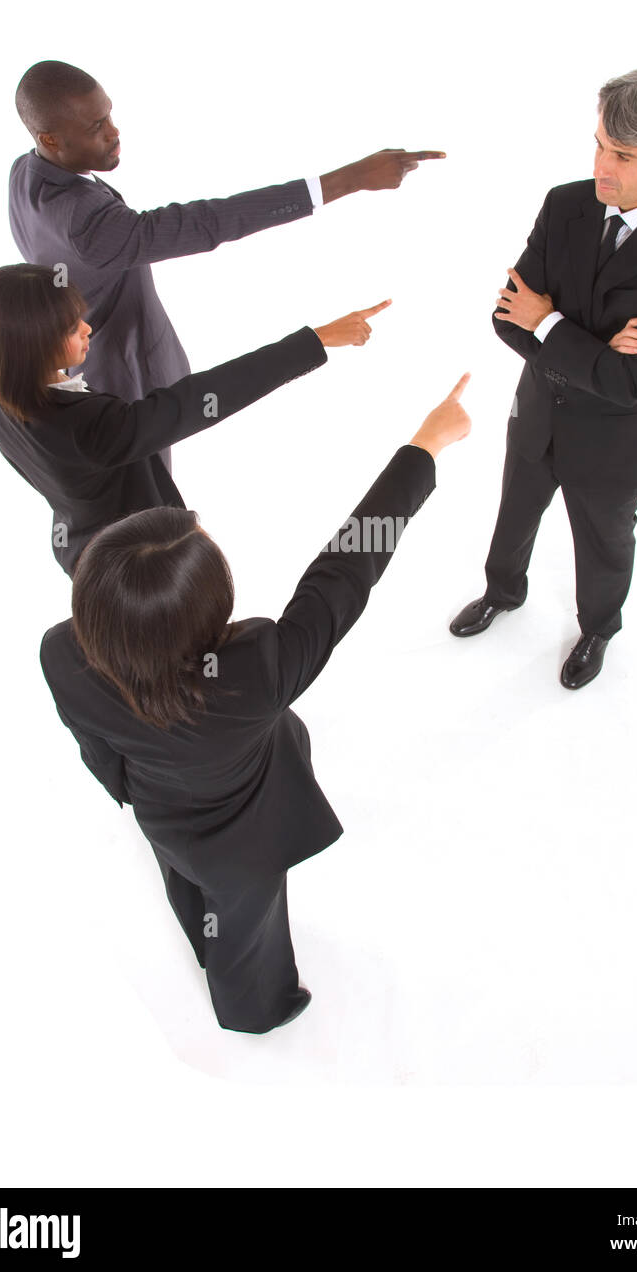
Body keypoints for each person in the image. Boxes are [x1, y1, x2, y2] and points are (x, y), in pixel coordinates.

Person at [39, 376, 471, 1034]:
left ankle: (199, 935)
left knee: (186, 882)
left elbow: (97, 747)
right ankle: (255, 1010)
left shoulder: (61, 653)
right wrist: (425, 446)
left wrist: (129, 789)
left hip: (161, 813)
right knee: (248, 934)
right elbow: (345, 570)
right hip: (242, 845)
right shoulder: (258, 670)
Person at [450, 67, 637, 689]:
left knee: (604, 540)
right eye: (599, 143)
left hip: (613, 437)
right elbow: (506, 319)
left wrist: (549, 320)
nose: (603, 165)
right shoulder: (564, 203)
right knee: (515, 510)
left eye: (622, 155)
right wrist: (590, 344)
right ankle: (501, 592)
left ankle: (598, 627)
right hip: (538, 410)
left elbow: (631, 382)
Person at [11, 59, 445, 402]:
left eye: (109, 116)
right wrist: (349, 179)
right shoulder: (89, 225)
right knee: (149, 509)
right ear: (50, 139)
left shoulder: (26, 174)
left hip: (98, 370)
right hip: (127, 386)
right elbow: (206, 222)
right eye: (95, 128)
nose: (114, 132)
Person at [0, 263, 389, 575]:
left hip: (82, 552)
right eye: (70, 327)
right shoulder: (93, 427)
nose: (87, 328)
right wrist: (315, 340)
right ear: (30, 344)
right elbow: (200, 399)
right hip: (145, 566)